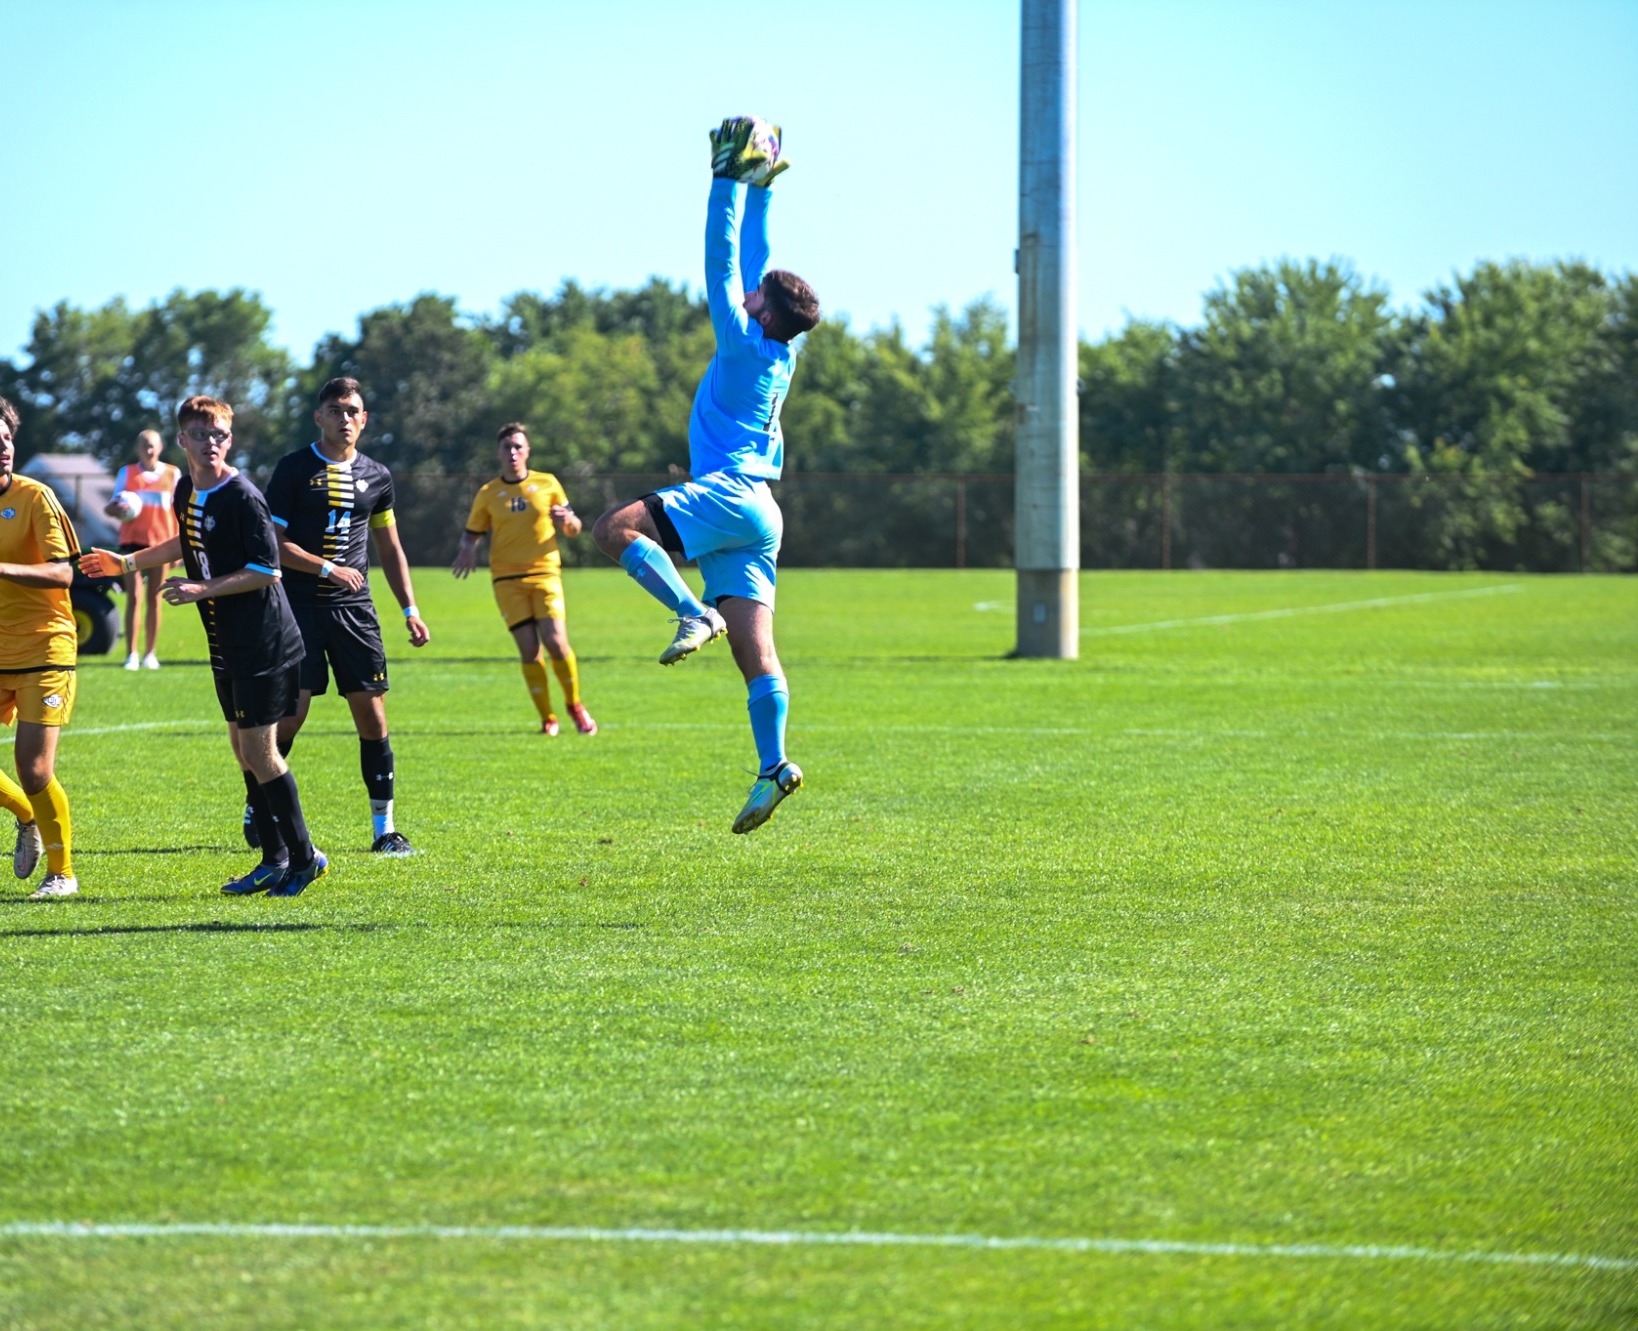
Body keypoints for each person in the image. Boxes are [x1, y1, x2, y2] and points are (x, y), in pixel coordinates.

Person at [592, 117, 819, 834]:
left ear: (764, 309)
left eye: (758, 295)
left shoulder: (741, 342)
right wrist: (764, 188)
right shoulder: (781, 349)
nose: (746, 294)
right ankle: (773, 765)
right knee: (758, 655)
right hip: (761, 510)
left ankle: (692, 611)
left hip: (728, 494)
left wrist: (725, 179)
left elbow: (721, 260)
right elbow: (759, 258)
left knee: (613, 528)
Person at [81, 396, 327, 895]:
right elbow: (186, 543)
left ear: (229, 440)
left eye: (219, 435)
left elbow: (267, 569)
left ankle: (304, 858)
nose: (210, 443)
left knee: (262, 751)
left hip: (263, 640)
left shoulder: (243, 497)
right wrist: (126, 564)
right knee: (243, 749)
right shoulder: (187, 487)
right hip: (225, 642)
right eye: (200, 434)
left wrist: (203, 588)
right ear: (182, 440)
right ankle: (274, 857)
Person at [263, 377, 429, 856]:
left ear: (365, 418)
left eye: (353, 410)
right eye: (335, 410)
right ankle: (260, 804)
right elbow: (274, 544)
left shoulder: (378, 476)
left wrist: (410, 609)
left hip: (354, 611)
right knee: (291, 715)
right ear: (319, 416)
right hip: (299, 606)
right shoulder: (295, 469)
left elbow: (391, 547)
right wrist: (326, 568)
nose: (345, 418)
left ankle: (385, 830)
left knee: (373, 717)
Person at [452, 423, 597, 737]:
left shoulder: (548, 483)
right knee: (530, 651)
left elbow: (574, 528)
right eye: (507, 447)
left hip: (545, 573)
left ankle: (575, 704)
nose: (513, 452)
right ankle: (548, 718)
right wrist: (466, 550)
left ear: (528, 451)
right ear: (498, 452)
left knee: (556, 643)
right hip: (506, 579)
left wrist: (568, 521)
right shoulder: (489, 493)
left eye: (518, 446)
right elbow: (471, 533)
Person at [0, 395, 82, 899]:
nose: (3, 449)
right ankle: (28, 815)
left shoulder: (35, 498)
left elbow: (64, 572)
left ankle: (62, 874)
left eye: (6, 439)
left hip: (45, 645)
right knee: (28, 786)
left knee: (33, 768)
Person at [104, 428, 181, 670]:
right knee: (134, 597)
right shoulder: (126, 474)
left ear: (160, 448)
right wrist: (117, 509)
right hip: (131, 544)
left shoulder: (172, 474)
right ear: (137, 448)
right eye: (144, 445)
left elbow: (180, 512)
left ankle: (150, 654)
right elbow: (111, 508)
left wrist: (179, 548)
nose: (149, 450)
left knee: (154, 598)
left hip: (162, 544)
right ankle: (132, 655)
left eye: (153, 445)